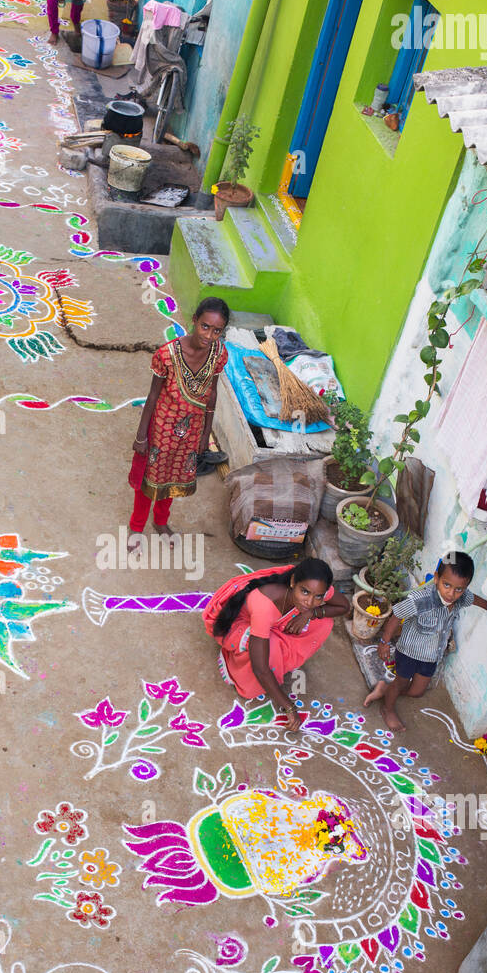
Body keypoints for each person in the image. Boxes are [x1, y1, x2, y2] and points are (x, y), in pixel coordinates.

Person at [128, 297, 230, 545]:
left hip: (191, 430)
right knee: (148, 480)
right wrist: (141, 435)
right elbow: (153, 396)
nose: (209, 335)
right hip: (160, 428)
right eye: (205, 326)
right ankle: (136, 526)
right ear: (194, 321)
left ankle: (161, 521)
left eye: (217, 330)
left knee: (172, 479)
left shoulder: (219, 354)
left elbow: (212, 393)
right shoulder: (167, 355)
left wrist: (205, 434)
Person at [208, 559, 350, 731]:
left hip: (274, 623)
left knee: (323, 622)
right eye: (304, 592)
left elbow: (343, 606)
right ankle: (233, 662)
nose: (310, 601)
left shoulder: (313, 586)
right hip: (239, 628)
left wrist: (312, 613)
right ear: (293, 582)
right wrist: (288, 707)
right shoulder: (265, 606)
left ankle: (281, 656)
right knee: (269, 652)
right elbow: (260, 668)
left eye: (318, 596)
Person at [364, 551, 487, 731]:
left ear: (465, 587)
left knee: (417, 692)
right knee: (402, 682)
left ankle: (384, 689)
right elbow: (396, 615)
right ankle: (387, 709)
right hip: (409, 653)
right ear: (436, 578)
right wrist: (384, 642)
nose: (451, 593)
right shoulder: (421, 599)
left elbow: (473, 599)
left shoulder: (461, 598)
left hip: (431, 656)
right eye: (447, 585)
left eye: (459, 589)